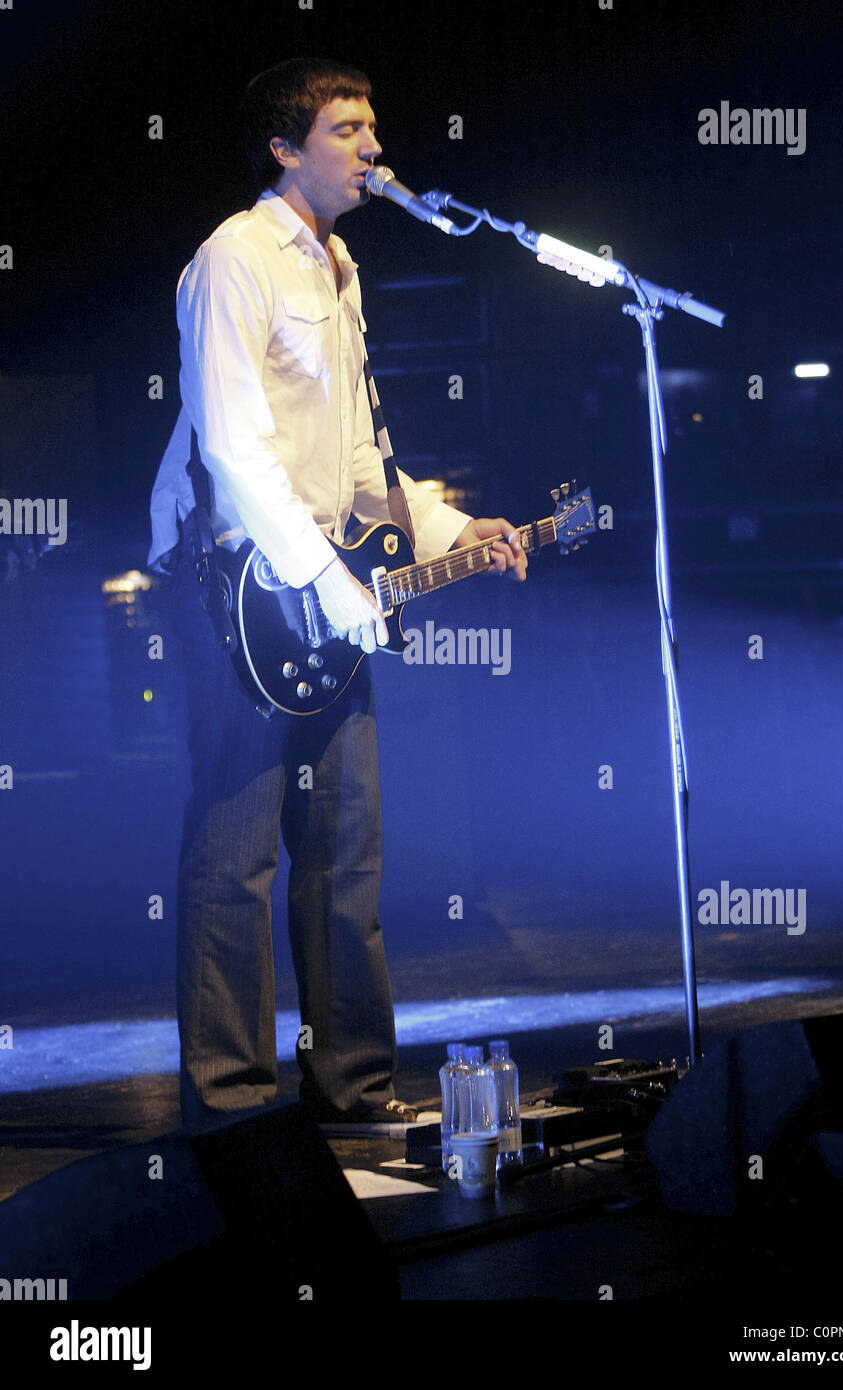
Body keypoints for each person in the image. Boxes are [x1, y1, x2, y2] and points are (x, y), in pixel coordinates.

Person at [147, 57, 527, 1133]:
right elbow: (231, 444)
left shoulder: (341, 266)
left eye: (372, 126)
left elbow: (359, 462)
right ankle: (231, 1110)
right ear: (285, 147)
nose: (371, 147)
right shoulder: (235, 256)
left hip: (327, 587)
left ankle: (353, 1089)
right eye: (345, 128)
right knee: (237, 855)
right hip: (240, 587)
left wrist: (454, 528)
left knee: (345, 847)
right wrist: (324, 579)